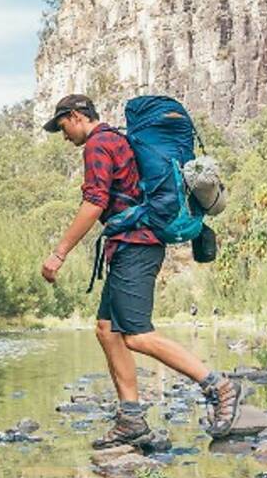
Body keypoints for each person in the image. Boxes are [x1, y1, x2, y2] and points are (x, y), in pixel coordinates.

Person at [39, 94, 241, 445]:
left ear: (75, 116)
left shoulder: (99, 144)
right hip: (129, 245)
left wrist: (59, 253)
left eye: (62, 127)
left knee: (136, 334)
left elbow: (94, 202)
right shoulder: (118, 139)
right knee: (106, 329)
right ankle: (131, 419)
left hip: (136, 245)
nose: (63, 136)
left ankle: (218, 385)